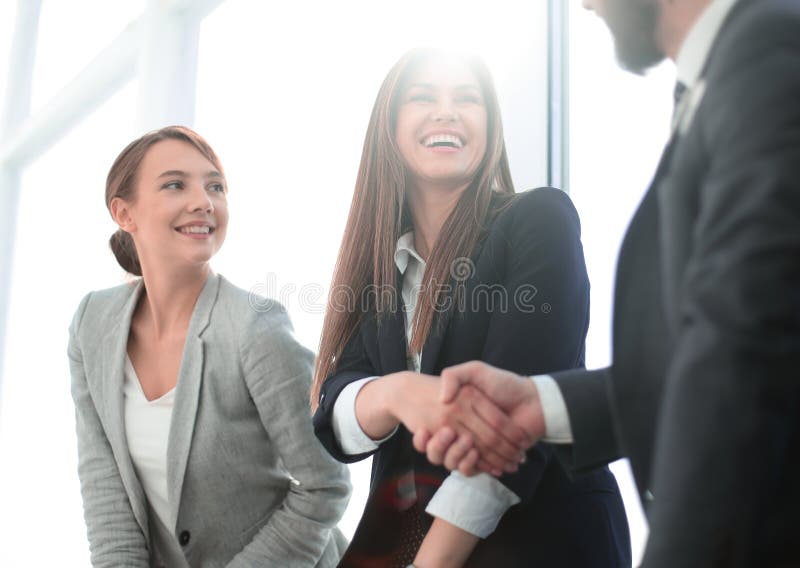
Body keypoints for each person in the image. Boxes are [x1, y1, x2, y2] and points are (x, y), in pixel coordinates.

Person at [419, 1, 800, 566]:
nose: (583, 3)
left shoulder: (765, 57)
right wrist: (544, 404)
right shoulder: (728, 73)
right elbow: (701, 363)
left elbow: (746, 353)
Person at [311, 47, 631, 567]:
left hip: (538, 543)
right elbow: (336, 418)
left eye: (467, 98)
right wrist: (397, 392)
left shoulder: (539, 219)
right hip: (404, 540)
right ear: (389, 127)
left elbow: (507, 430)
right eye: (423, 97)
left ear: (490, 126)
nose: (447, 112)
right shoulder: (382, 271)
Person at [68, 126, 351, 567]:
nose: (204, 201)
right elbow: (105, 486)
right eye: (175, 185)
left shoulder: (255, 327)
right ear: (124, 213)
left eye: (215, 186)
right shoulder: (93, 323)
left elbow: (325, 487)